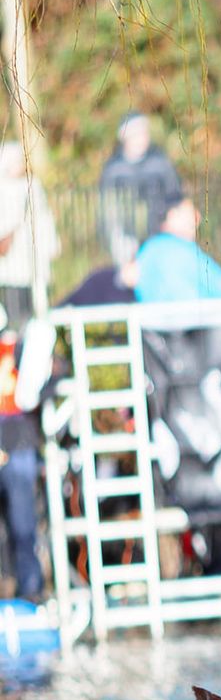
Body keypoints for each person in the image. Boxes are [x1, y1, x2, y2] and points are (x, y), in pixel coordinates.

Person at [0, 296, 54, 603]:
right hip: (13, 445)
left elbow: (35, 389)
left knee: (23, 524)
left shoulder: (18, 348)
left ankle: (30, 589)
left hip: (17, 445)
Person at [99, 113, 183, 264]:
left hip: (159, 232)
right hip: (126, 235)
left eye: (143, 133)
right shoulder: (114, 168)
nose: (141, 138)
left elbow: (174, 194)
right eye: (135, 134)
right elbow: (108, 205)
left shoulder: (159, 162)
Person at [132, 197, 221, 303]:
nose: (198, 218)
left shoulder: (148, 250)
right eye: (190, 213)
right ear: (172, 215)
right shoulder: (186, 251)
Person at [0, 142, 59, 314]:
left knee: (36, 303)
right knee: (16, 306)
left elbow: (43, 219)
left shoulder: (32, 186)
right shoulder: (8, 188)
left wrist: (51, 244)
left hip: (31, 258)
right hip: (13, 264)